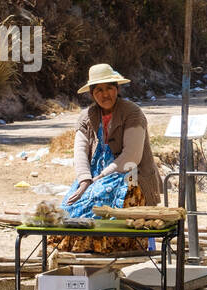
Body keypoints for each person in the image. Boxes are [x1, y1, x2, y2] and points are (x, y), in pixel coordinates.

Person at [63, 63, 162, 217]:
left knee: (98, 200)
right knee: (68, 206)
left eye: (109, 88)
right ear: (92, 94)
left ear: (117, 89)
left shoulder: (132, 113)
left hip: (131, 176)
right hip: (93, 178)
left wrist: (100, 178)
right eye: (99, 90)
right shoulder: (86, 117)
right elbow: (80, 151)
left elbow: (131, 156)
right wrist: (84, 180)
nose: (105, 94)